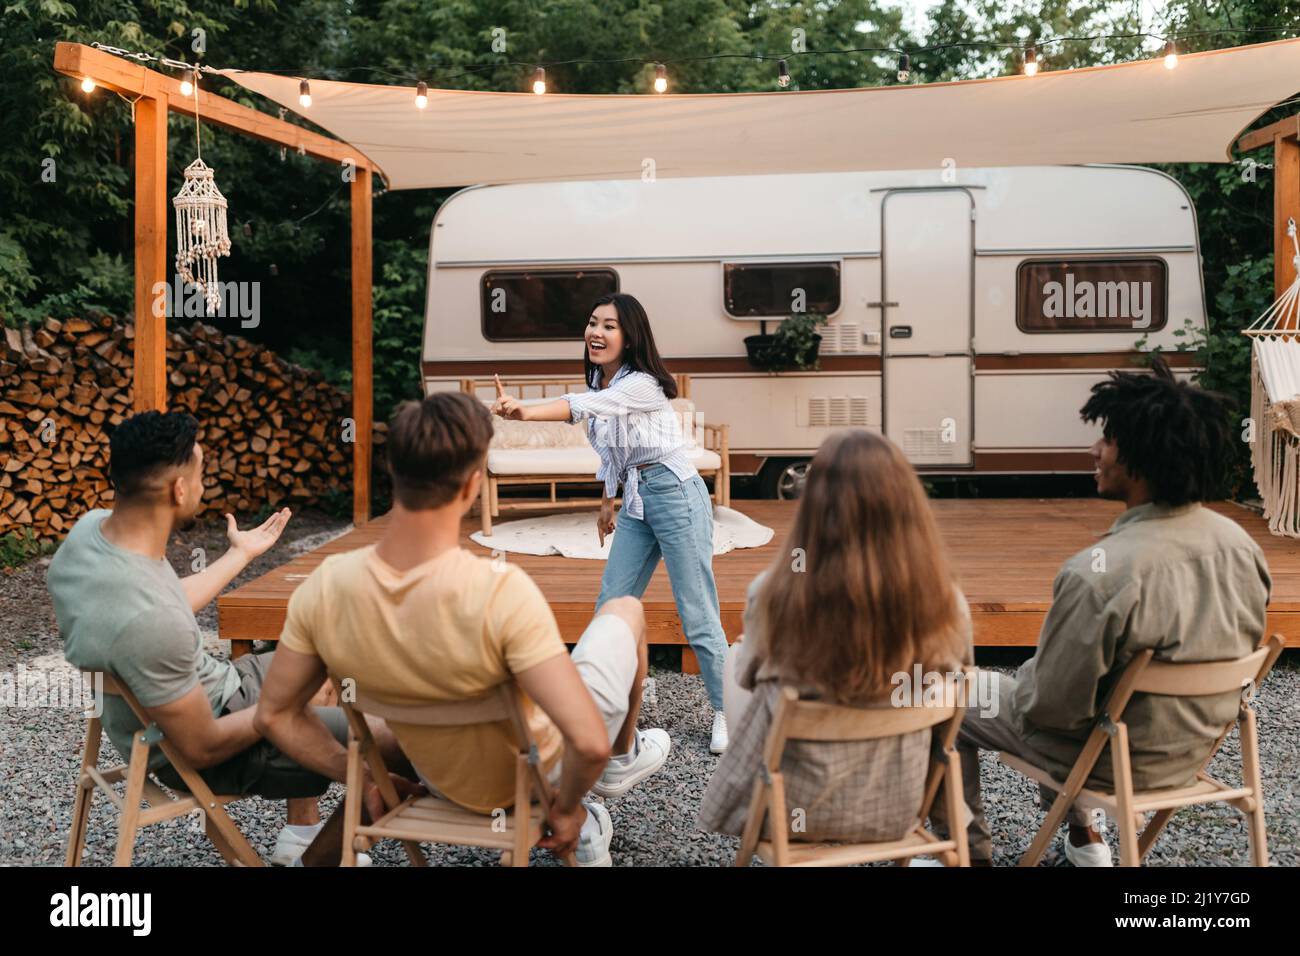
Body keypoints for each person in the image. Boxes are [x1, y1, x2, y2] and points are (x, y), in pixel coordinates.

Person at [253, 391, 671, 866]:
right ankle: (617, 769)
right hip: (537, 779)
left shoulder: (324, 588)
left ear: (393, 474)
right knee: (625, 610)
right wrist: (569, 809)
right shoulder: (500, 591)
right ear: (474, 485)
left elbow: (275, 715)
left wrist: (367, 780)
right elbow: (587, 742)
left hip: (440, 779)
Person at [930, 356, 1271, 866]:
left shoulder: (1099, 574)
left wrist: (1027, 675)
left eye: (1107, 440)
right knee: (1095, 686)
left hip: (1113, 761)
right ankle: (1084, 837)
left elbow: (1052, 708)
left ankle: (964, 852)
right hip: (1188, 753)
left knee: (942, 692)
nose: (1095, 450)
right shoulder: (1242, 548)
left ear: (1138, 459)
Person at [47, 410, 404, 866]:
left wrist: (240, 555)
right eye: (200, 472)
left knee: (334, 650)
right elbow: (202, 745)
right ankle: (319, 856)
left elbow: (165, 601)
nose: (202, 484)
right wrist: (281, 708)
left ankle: (303, 831)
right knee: (401, 744)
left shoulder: (91, 534)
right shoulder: (149, 623)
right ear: (179, 489)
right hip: (206, 743)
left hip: (191, 700)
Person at [698, 429, 971, 846]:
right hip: (896, 810)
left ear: (814, 505)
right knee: (941, 687)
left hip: (791, 813)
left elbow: (747, 681)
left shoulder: (773, 596)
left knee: (739, 656)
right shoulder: (947, 603)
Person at [490, 292, 731, 753]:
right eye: (592, 323)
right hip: (638, 500)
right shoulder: (605, 384)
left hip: (677, 494)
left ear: (629, 335)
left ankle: (725, 710)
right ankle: (597, 708)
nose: (596, 332)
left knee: (695, 609)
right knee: (611, 605)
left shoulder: (640, 384)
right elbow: (616, 449)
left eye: (609, 325)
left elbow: (578, 407)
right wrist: (609, 500)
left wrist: (524, 411)